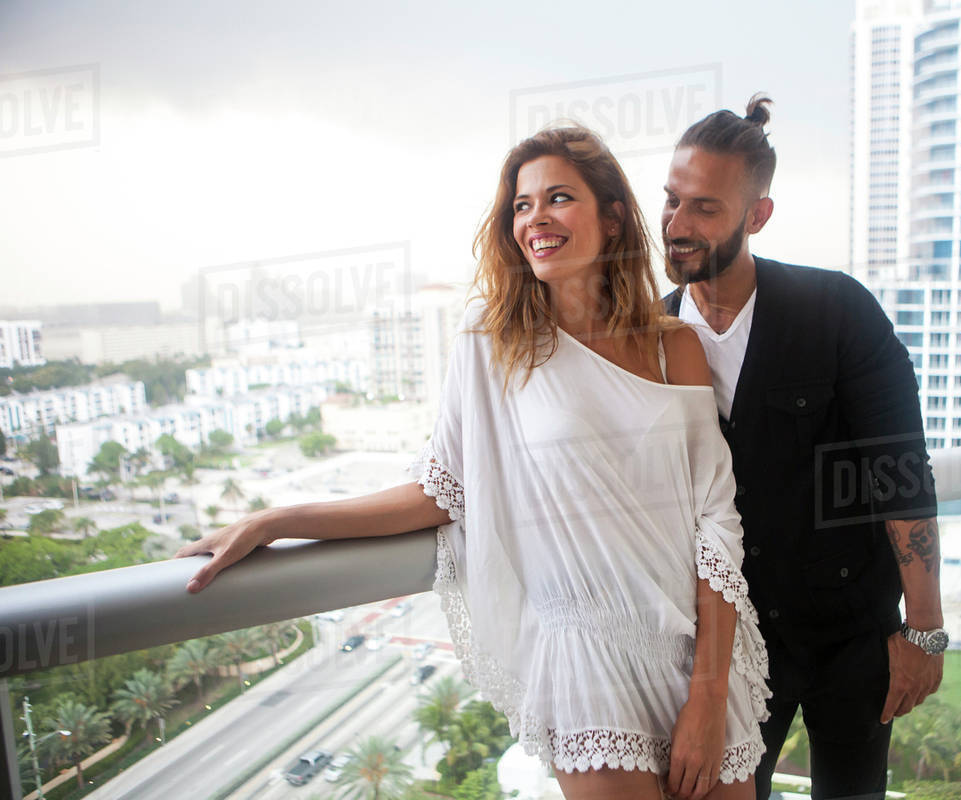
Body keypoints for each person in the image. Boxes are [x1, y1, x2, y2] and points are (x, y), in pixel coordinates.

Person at [175, 125, 770, 800]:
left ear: (610, 215)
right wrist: (279, 520)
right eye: (521, 205)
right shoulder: (496, 343)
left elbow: (714, 523)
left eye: (558, 198)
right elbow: (441, 491)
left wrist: (708, 692)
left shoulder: (675, 347)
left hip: (700, 653)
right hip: (585, 657)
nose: (535, 218)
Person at [659, 95, 947, 800]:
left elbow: (901, 473)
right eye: (670, 201)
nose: (676, 225)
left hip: (855, 639)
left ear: (757, 216)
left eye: (703, 207)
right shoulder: (650, 339)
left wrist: (925, 631)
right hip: (730, 649)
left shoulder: (838, 312)